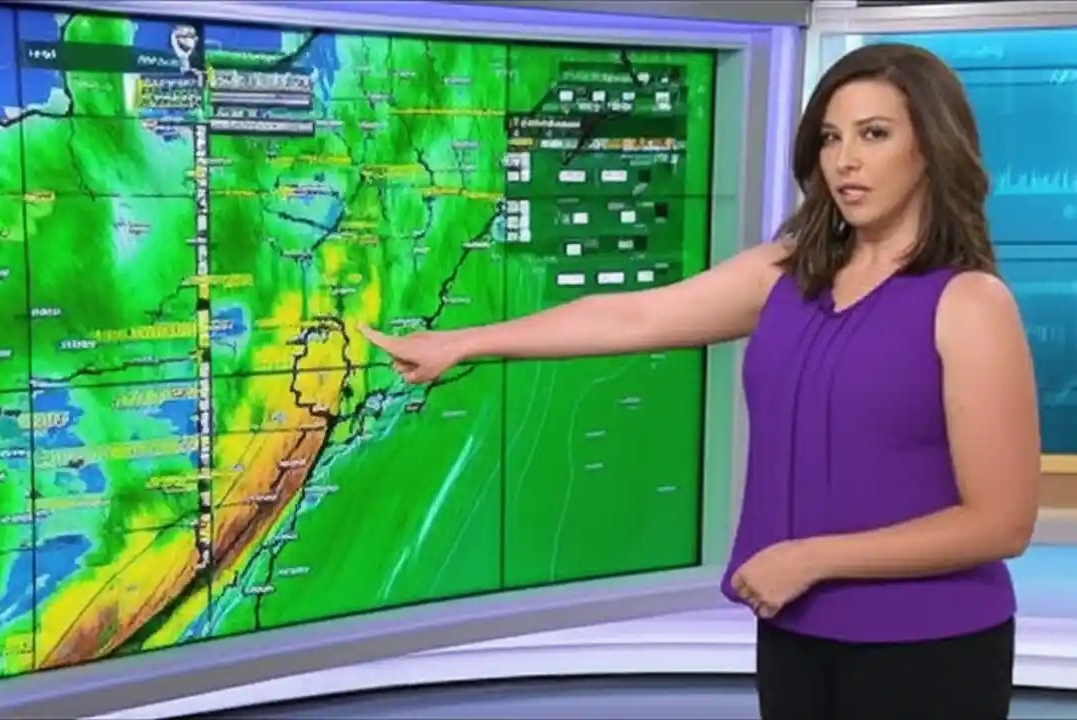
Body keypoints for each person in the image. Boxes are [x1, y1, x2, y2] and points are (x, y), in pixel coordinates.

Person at [361, 42, 1040, 720]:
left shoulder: (968, 303)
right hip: (793, 630)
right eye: (831, 138)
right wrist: (466, 341)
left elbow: (999, 523)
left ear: (931, 148)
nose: (846, 161)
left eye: (875, 135)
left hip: (928, 646)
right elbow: (630, 317)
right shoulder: (786, 274)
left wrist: (813, 560)